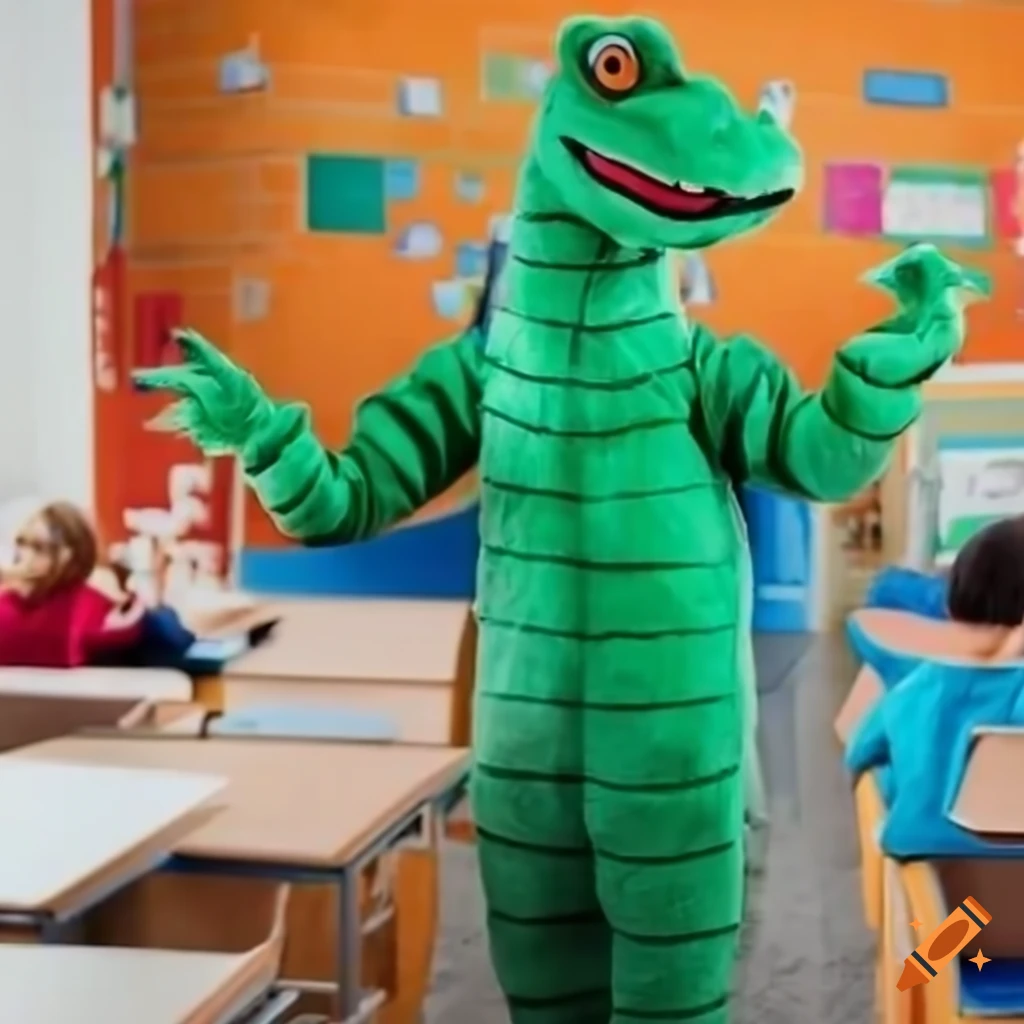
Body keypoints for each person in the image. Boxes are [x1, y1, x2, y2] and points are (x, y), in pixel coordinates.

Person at [0, 501, 144, 667]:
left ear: (66, 556)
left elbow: (47, 645)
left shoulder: (85, 601)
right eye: (21, 543)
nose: (24, 555)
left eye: (38, 548)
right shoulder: (16, 597)